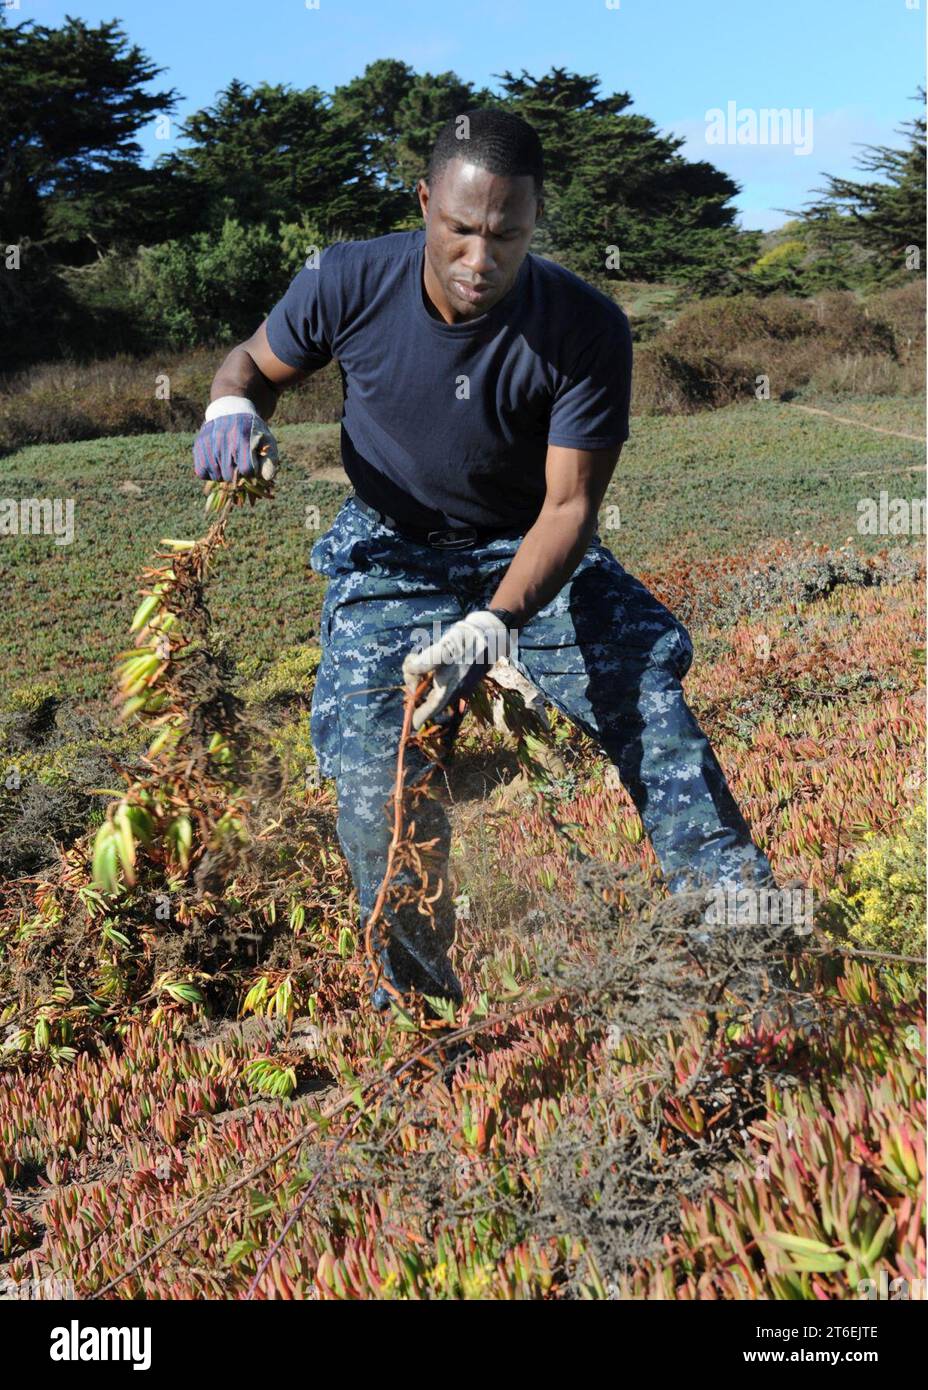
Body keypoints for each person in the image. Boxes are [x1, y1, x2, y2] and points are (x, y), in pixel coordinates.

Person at [192, 107, 778, 1014]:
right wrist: (230, 411)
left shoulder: (584, 327)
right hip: (390, 552)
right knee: (373, 776)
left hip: (530, 546)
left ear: (535, 221)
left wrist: (495, 625)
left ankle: (750, 956)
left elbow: (571, 506)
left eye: (504, 235)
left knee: (651, 710)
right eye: (459, 229)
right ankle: (425, 1013)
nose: (478, 258)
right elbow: (251, 368)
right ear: (426, 203)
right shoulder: (344, 279)